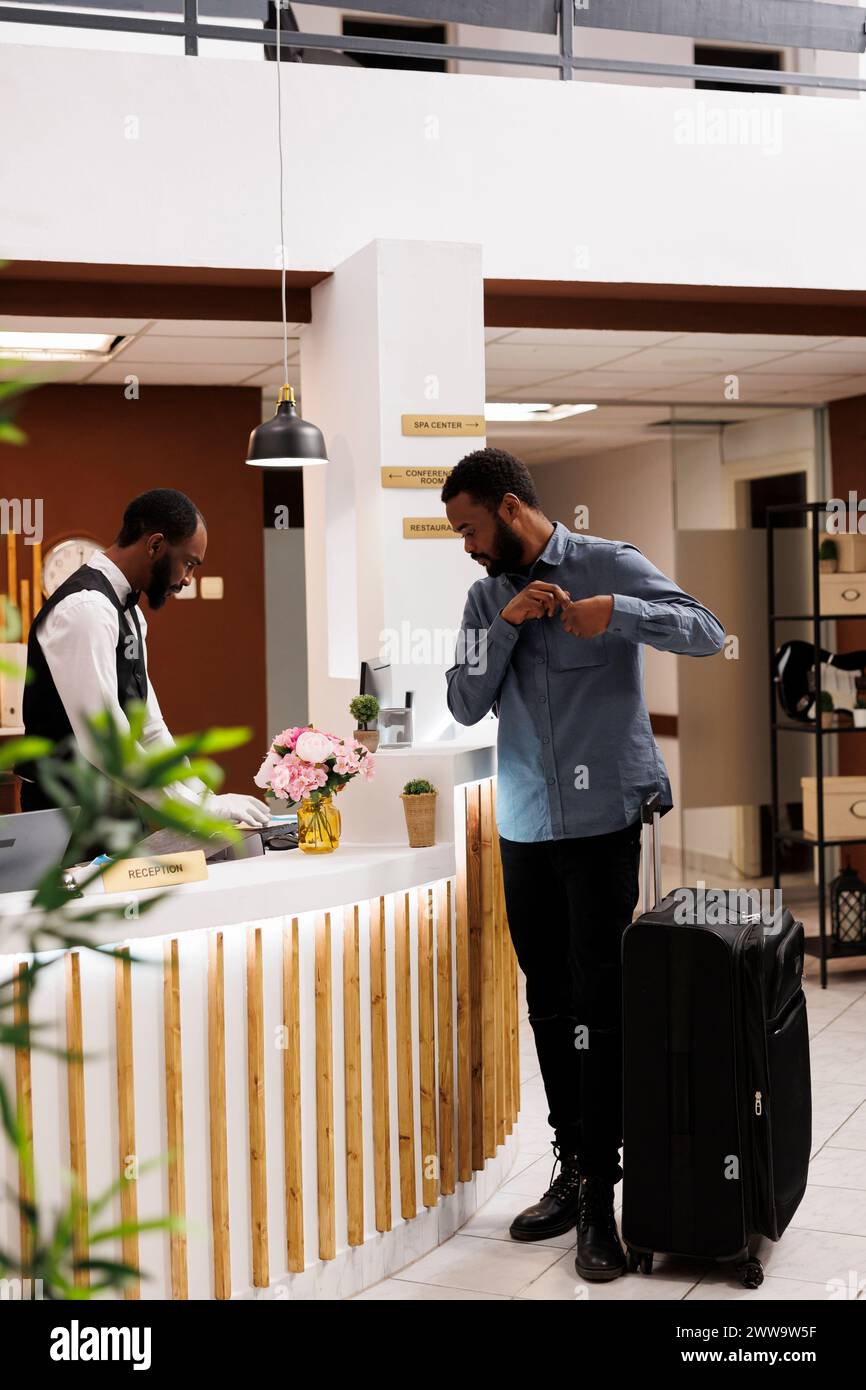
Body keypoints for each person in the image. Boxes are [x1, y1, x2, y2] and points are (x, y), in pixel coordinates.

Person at [442, 447, 725, 1282]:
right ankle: (571, 1168)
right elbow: (462, 701)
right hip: (526, 829)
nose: (465, 544)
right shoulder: (482, 596)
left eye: (468, 528)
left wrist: (620, 613)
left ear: (508, 507)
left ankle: (604, 1199)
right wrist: (507, 626)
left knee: (599, 1004)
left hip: (603, 826)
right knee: (550, 1002)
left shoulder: (611, 563)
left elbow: (708, 633)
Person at [18, 488, 269, 828]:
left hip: (115, 809)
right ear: (155, 546)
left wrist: (204, 799)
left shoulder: (130, 613)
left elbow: (150, 729)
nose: (187, 579)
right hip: (67, 817)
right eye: (189, 564)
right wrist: (194, 810)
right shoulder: (85, 610)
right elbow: (105, 745)